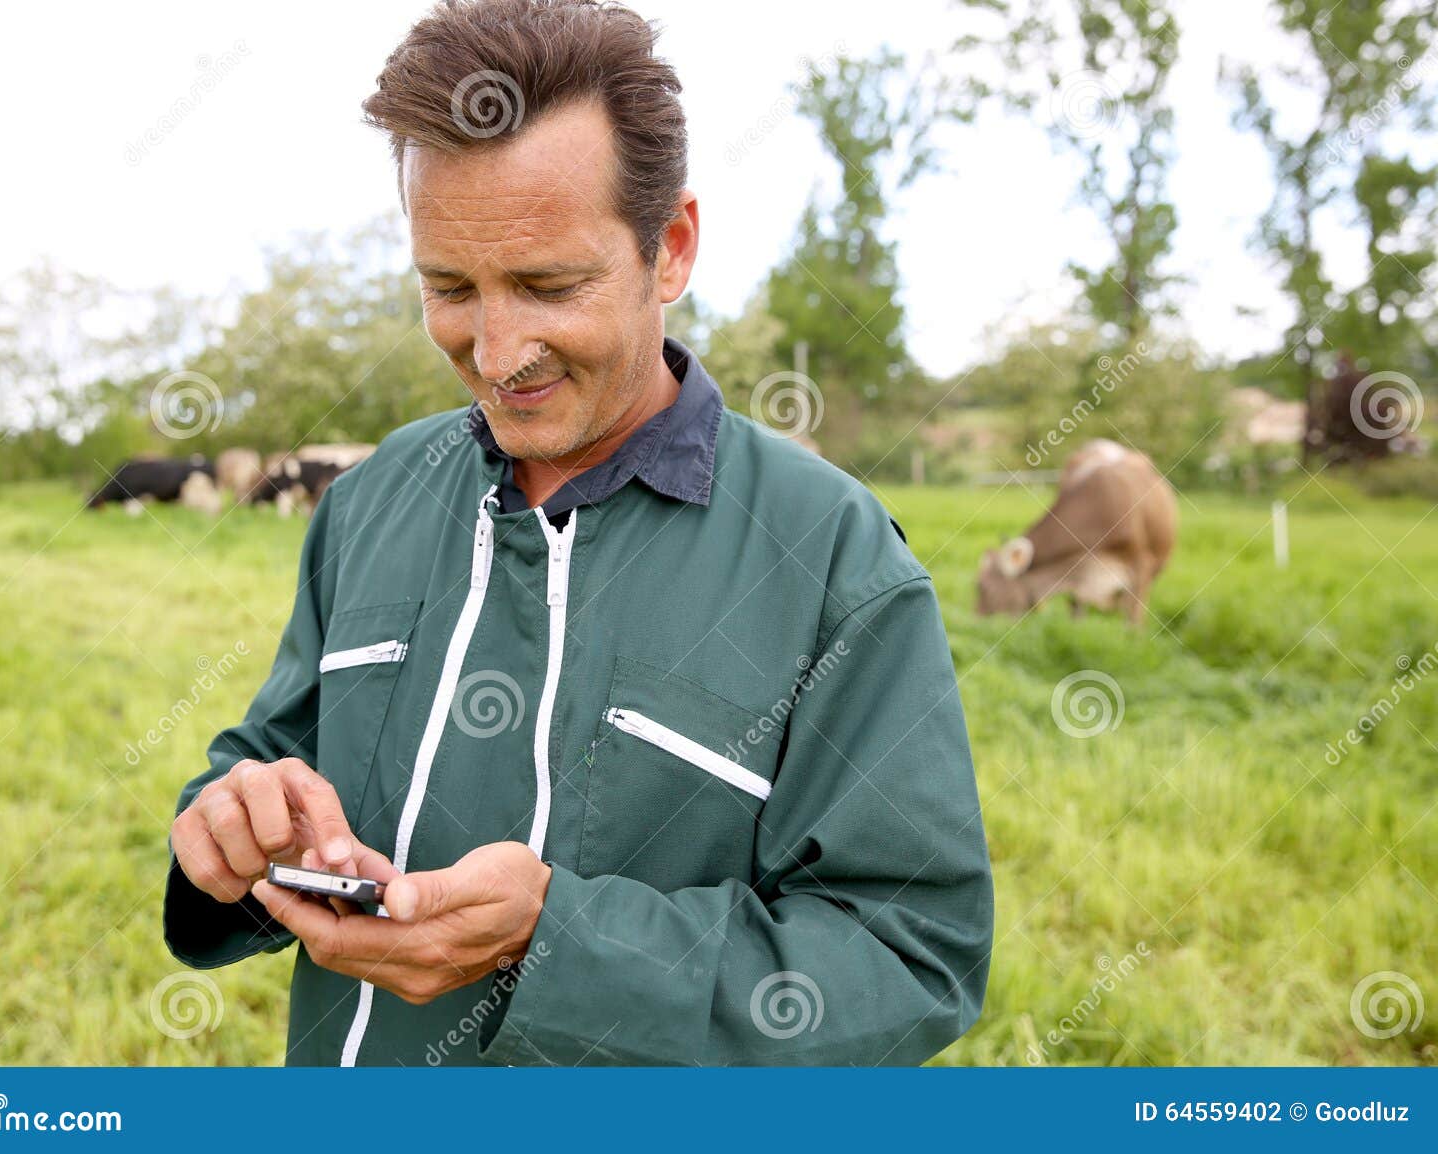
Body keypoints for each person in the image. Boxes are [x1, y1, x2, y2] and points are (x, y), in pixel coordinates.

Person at [163, 0, 993, 1066]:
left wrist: (561, 942)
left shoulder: (832, 556)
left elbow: (910, 953)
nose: (497, 349)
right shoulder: (369, 500)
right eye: (448, 287)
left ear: (671, 248)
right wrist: (230, 826)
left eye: (549, 285)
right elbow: (267, 760)